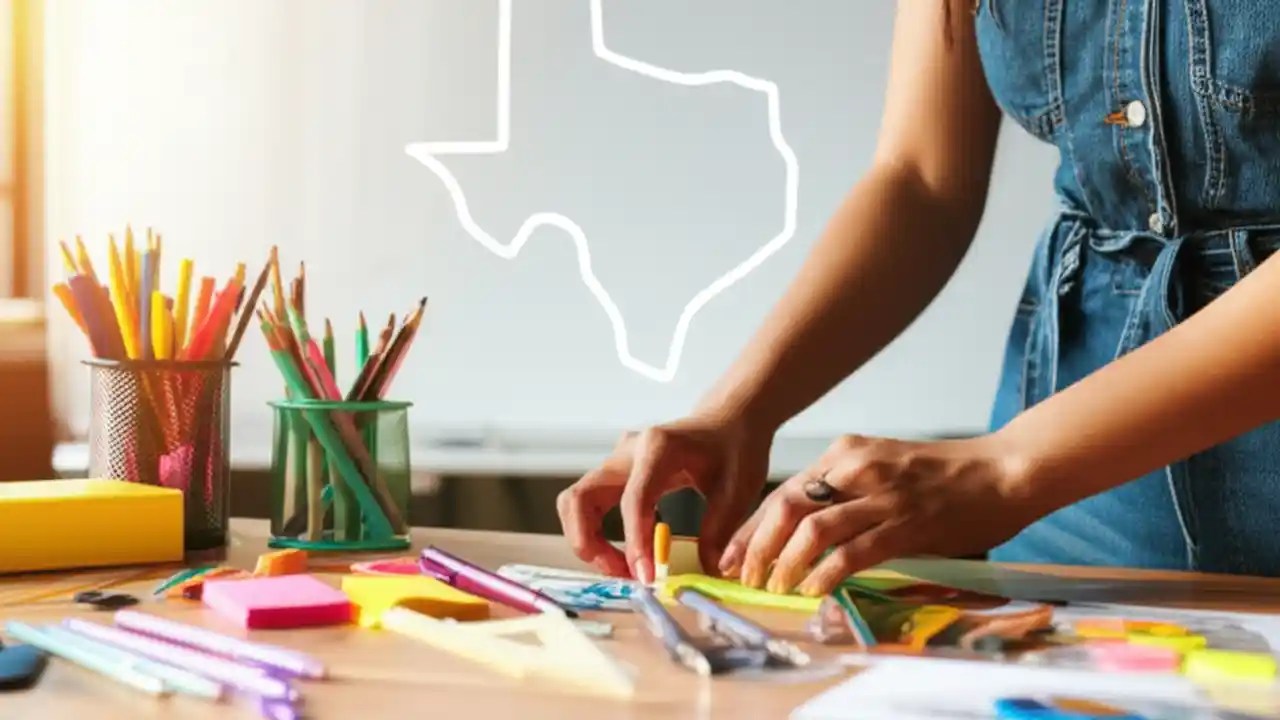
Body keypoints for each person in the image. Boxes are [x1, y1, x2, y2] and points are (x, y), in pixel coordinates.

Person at [556, 0, 1280, 595]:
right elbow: (922, 180)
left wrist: (1006, 468)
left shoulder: (1013, 470)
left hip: (1050, 463)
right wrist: (738, 411)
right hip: (1071, 485)